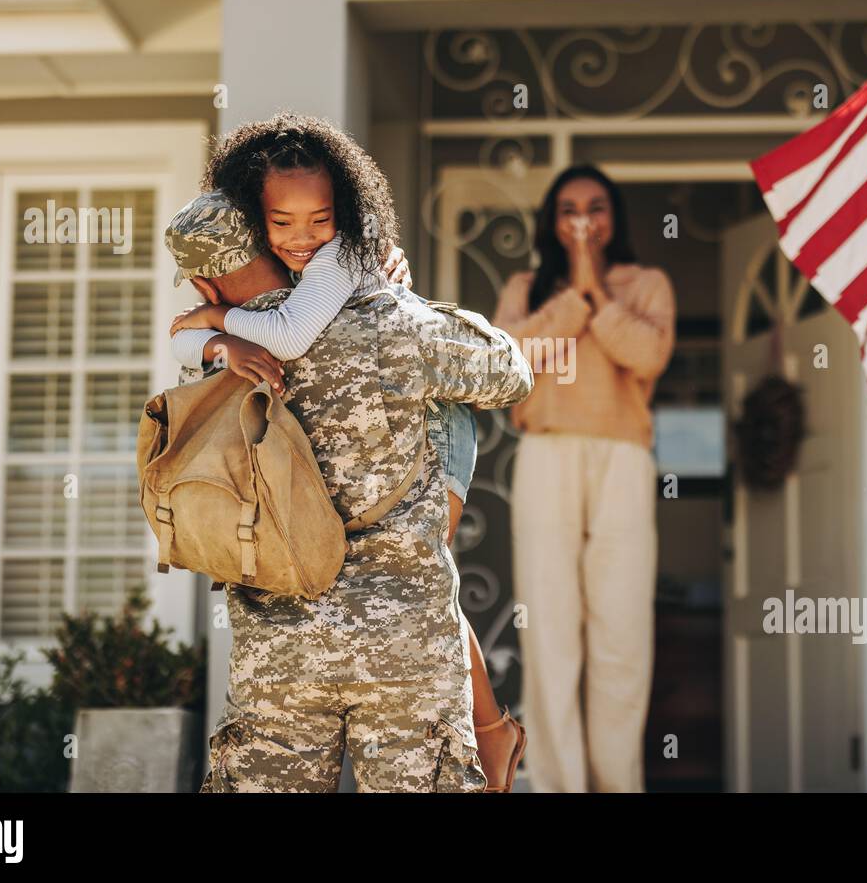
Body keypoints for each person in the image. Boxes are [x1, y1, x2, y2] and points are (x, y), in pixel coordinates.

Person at [168, 113, 525, 789]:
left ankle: (493, 729)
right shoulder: (388, 314)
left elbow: (221, 339)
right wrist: (402, 297)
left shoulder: (212, 364)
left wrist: (216, 325)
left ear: (202, 283)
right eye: (284, 223)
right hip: (403, 649)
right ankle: (493, 730)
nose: (303, 237)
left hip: (277, 658)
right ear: (261, 223)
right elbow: (509, 371)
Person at [492, 164, 676, 793]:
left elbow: (646, 355)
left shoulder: (646, 283)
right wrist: (573, 297)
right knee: (548, 628)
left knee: (622, 634)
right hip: (548, 455)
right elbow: (506, 359)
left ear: (613, 217)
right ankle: (558, 785)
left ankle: (617, 783)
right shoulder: (526, 286)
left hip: (622, 459)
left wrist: (595, 290)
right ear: (552, 220)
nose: (583, 219)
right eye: (570, 208)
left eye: (595, 207)